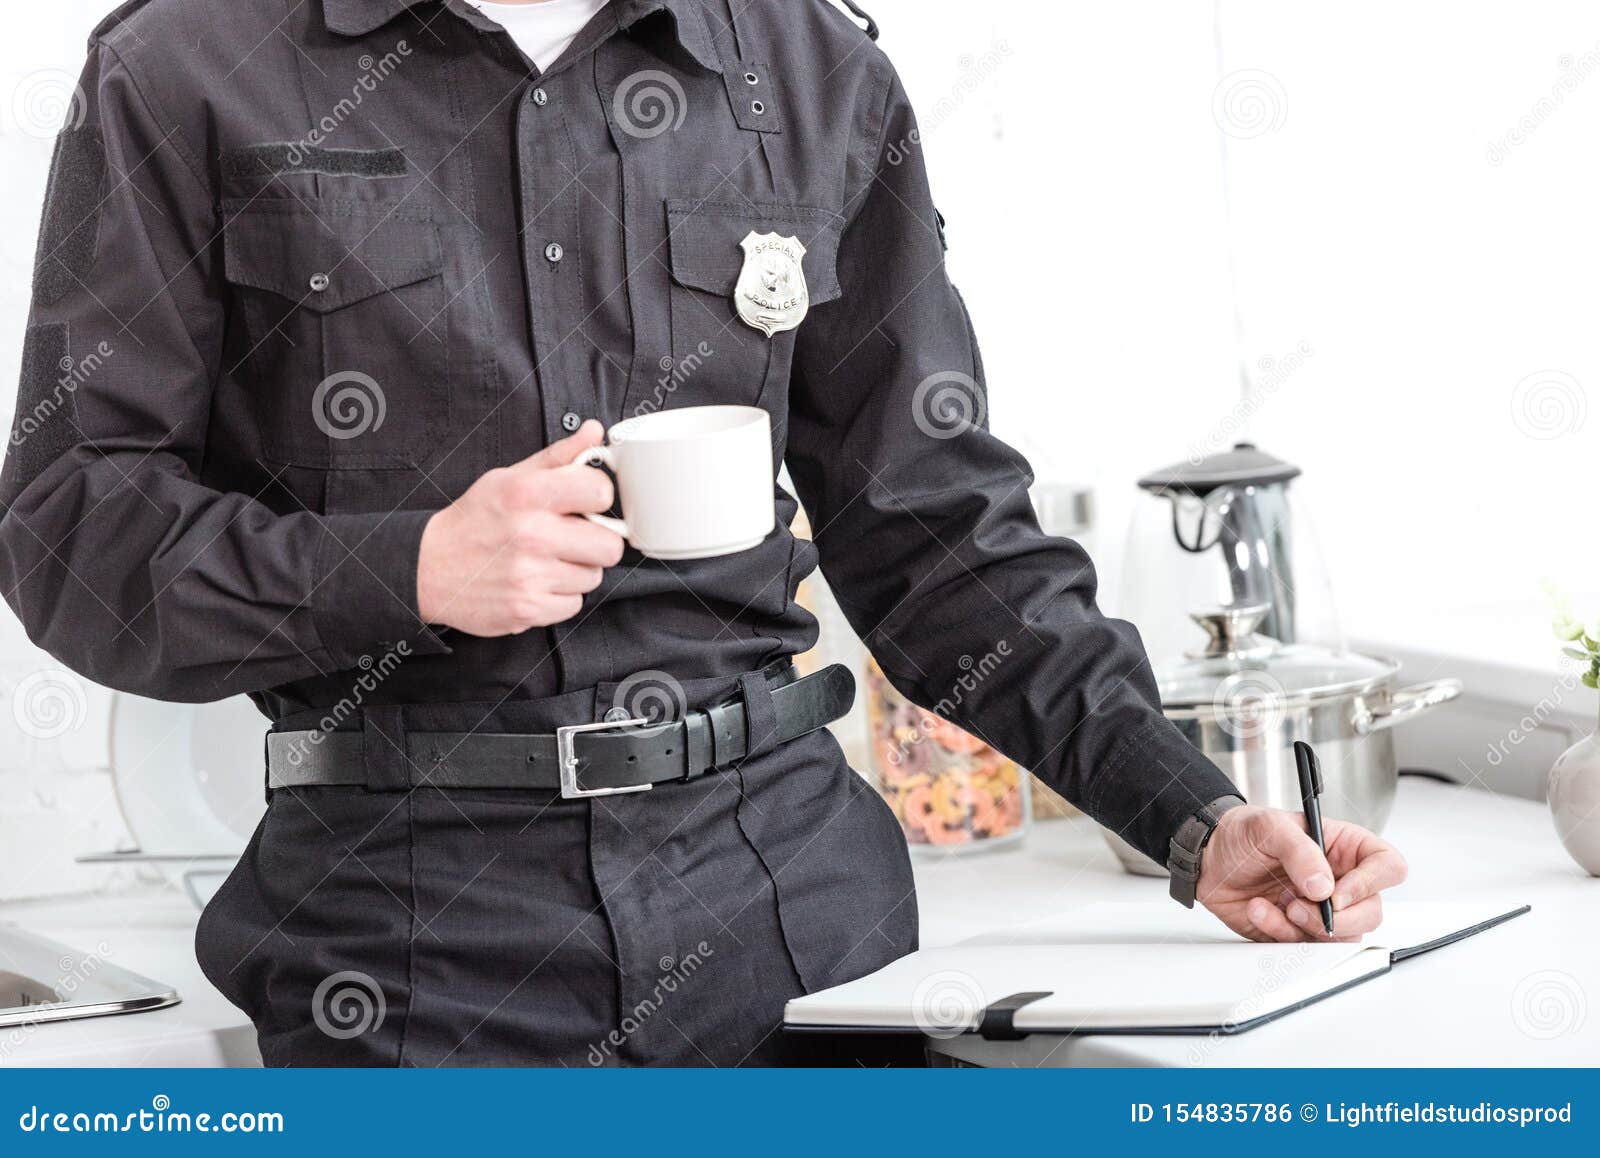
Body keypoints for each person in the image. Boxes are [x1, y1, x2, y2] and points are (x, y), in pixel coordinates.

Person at [0, 0, 1405, 1066]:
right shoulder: (186, 64)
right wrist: (408, 568)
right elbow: (66, 529)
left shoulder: (804, 61)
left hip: (805, 931)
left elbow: (939, 531)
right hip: (412, 959)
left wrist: (1191, 815)